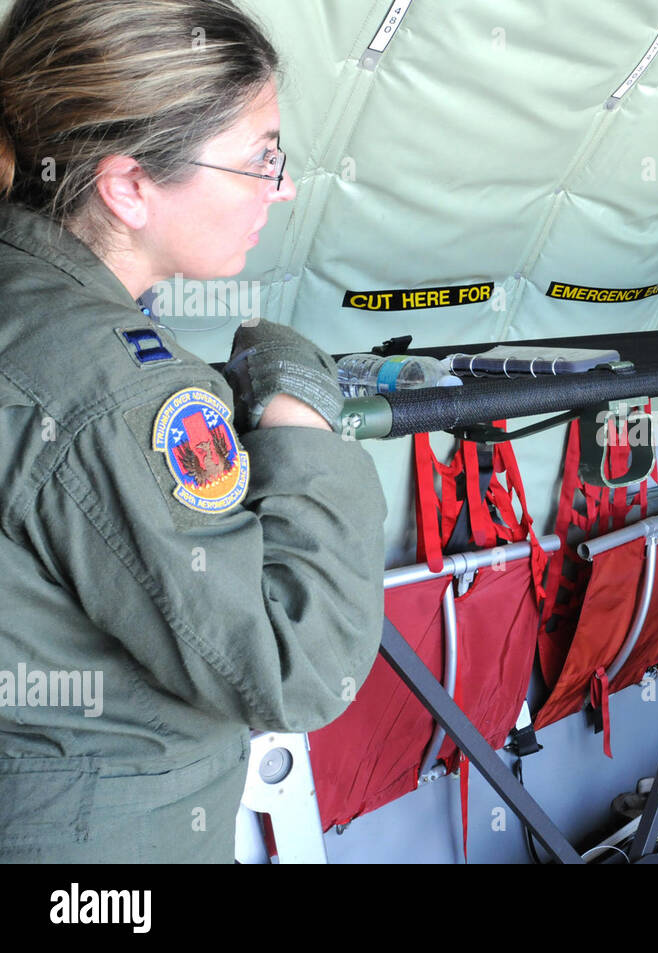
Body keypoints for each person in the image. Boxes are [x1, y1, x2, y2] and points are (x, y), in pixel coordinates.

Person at [0, 0, 385, 862]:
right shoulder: (117, 391)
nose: (282, 188)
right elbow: (298, 659)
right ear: (130, 187)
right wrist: (298, 403)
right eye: (260, 160)